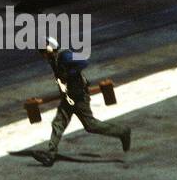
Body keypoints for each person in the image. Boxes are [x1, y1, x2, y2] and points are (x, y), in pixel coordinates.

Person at [36, 38, 130, 166]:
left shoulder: (65, 55)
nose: (43, 56)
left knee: (91, 126)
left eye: (43, 53)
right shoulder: (54, 59)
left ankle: (122, 131)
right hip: (69, 97)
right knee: (58, 124)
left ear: (49, 50)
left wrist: (70, 74)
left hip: (80, 97)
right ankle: (50, 155)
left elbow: (83, 62)